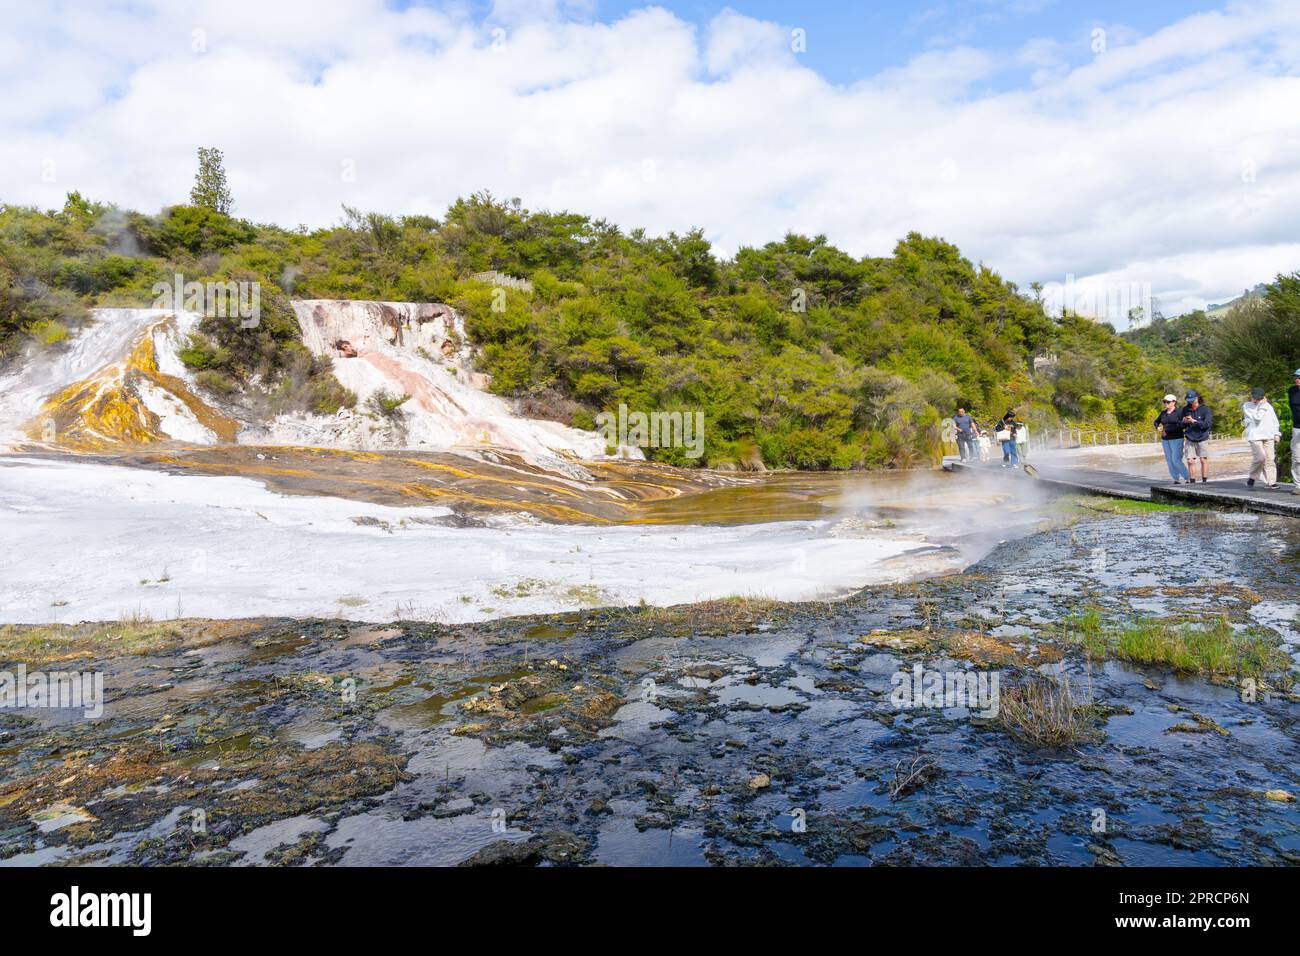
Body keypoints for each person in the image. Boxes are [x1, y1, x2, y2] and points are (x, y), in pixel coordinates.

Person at [1242, 387, 1281, 489]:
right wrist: (1261, 405)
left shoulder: (1268, 406)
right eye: (1256, 398)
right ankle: (1252, 477)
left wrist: (1277, 433)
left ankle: (1271, 482)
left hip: (1269, 435)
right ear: (1252, 396)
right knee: (1260, 457)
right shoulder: (1247, 406)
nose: (1257, 400)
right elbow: (1257, 418)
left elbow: (1274, 420)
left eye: (1259, 398)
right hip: (1254, 436)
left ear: (1264, 397)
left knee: (1270, 459)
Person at [1154, 393, 1191, 484]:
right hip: (1165, 440)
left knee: (1176, 460)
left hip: (1177, 438)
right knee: (1170, 460)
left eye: (1168, 402)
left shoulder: (1180, 412)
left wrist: (1168, 430)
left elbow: (1183, 425)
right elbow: (1156, 421)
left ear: (1174, 402)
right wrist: (1157, 427)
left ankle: (1188, 478)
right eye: (1164, 402)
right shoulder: (1163, 413)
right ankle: (1176, 479)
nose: (1166, 403)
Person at [1180, 390, 1213, 483]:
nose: (1190, 401)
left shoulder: (1205, 409)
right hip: (1190, 438)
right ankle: (1192, 483)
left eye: (1192, 399)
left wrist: (1194, 421)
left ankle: (1204, 482)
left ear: (1197, 398)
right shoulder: (1185, 409)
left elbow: (1207, 424)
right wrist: (1183, 422)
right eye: (1188, 400)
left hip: (1202, 438)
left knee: (1203, 460)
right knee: (1190, 461)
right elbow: (1181, 425)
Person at [1290, 369, 1300, 494]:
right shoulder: (1291, 391)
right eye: (1296, 377)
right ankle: (1298, 485)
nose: (1297, 379)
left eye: (1299, 377)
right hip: (1297, 427)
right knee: (1297, 457)